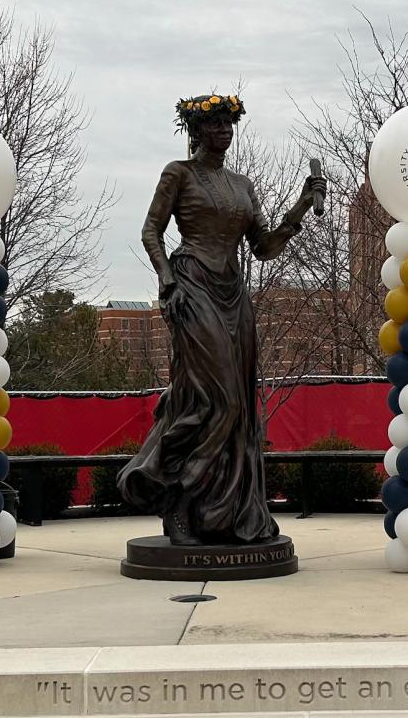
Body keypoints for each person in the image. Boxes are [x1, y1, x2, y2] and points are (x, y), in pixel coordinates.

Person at [119, 93, 325, 545]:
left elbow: (263, 248)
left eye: (229, 124)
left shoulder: (242, 184)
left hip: (233, 292)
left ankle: (221, 513)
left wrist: (301, 206)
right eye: (215, 124)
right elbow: (150, 230)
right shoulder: (178, 173)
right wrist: (167, 279)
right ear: (196, 131)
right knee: (219, 399)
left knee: (236, 402)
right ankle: (177, 497)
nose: (224, 131)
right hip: (191, 283)